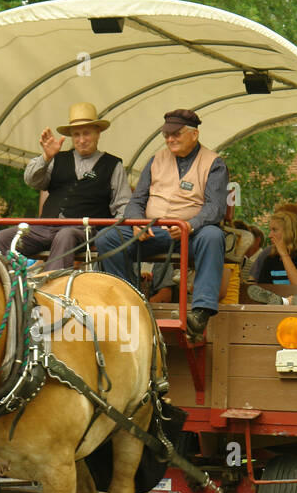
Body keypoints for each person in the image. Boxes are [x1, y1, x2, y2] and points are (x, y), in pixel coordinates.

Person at [95, 108, 228, 335]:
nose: (169, 139)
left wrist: (190, 225)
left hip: (191, 233)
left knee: (214, 235)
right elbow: (137, 200)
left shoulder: (214, 163)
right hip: (153, 231)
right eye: (166, 134)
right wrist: (137, 222)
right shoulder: (155, 159)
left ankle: (200, 312)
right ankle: (129, 301)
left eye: (176, 134)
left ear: (194, 134)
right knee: (107, 238)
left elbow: (215, 208)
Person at [0, 102, 131, 270]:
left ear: (98, 133)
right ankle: (5, 289)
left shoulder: (113, 164)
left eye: (86, 133)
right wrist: (45, 157)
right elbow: (31, 181)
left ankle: (51, 289)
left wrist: (111, 235)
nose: (81, 140)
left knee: (66, 236)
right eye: (76, 134)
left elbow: (123, 205)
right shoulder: (56, 158)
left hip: (83, 230)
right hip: (44, 227)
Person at [246, 204, 297, 304]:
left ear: (289, 232)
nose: (270, 235)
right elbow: (263, 293)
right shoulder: (269, 259)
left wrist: (284, 254)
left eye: (274, 230)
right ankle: (284, 302)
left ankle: (286, 301)